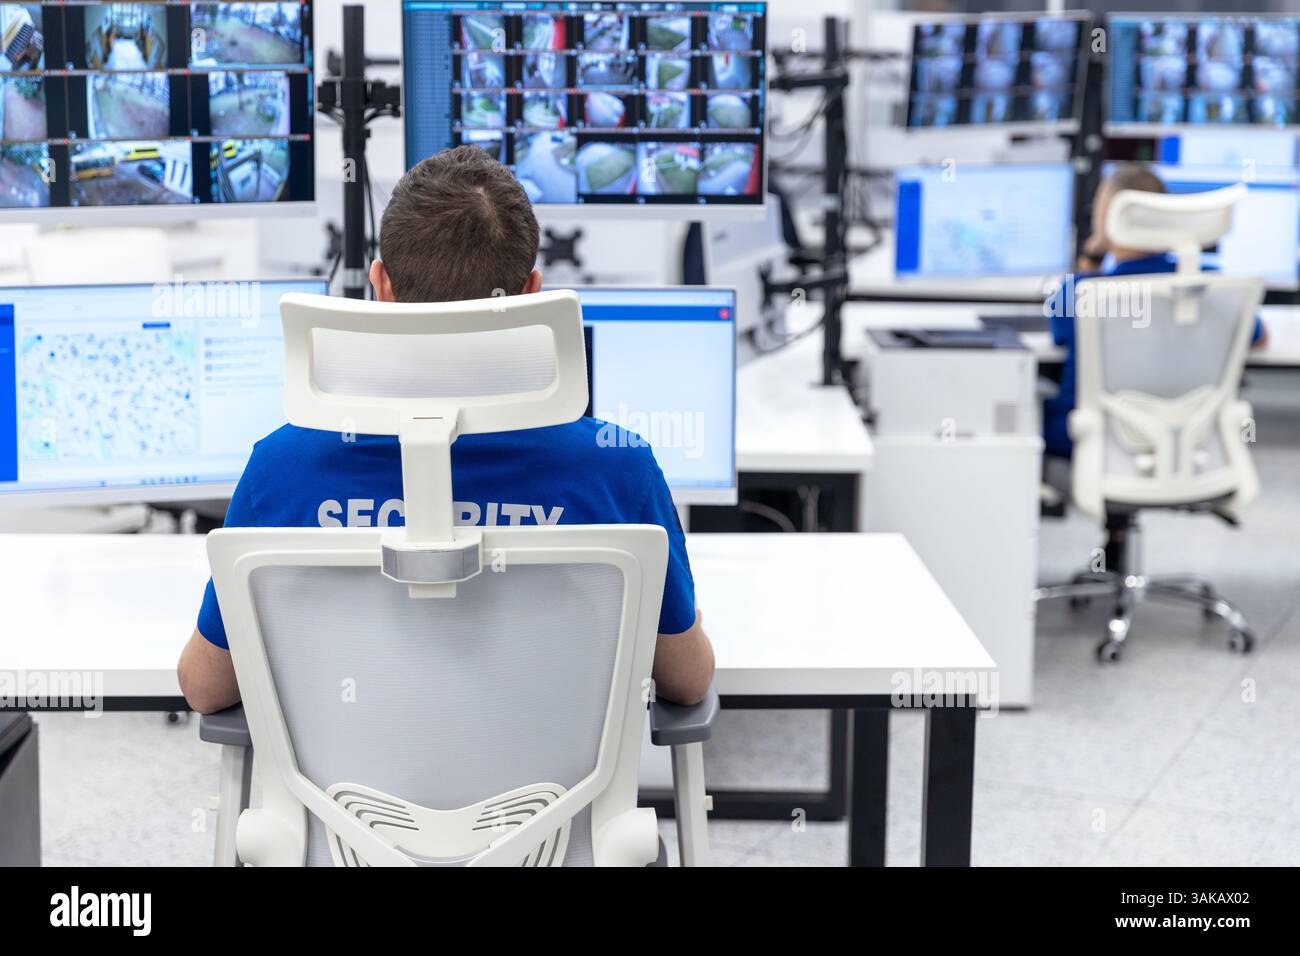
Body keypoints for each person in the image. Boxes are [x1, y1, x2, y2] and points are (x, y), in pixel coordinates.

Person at [178, 146, 715, 712]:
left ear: (379, 285)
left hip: (343, 797)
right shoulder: (616, 467)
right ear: (532, 293)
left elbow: (207, 688)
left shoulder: (284, 467)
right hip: (562, 799)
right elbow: (687, 679)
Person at [1043, 164, 1267, 459]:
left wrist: (1092, 256)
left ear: (1107, 218)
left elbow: (1059, 335)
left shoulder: (1079, 291)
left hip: (1093, 442)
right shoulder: (1210, 288)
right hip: (1190, 442)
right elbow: (1258, 337)